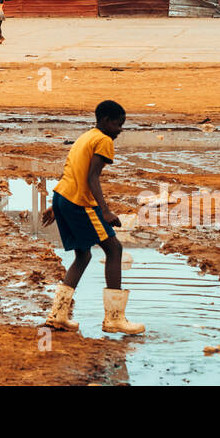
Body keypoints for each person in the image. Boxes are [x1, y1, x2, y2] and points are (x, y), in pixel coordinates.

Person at [41, 99, 145, 336]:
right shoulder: (104, 140)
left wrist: (56, 205)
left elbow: (71, 171)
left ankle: (58, 315)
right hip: (80, 203)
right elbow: (92, 177)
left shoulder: (85, 136)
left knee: (83, 254)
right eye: (119, 125)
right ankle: (115, 319)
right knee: (114, 249)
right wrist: (105, 211)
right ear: (106, 121)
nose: (120, 131)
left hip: (63, 196)